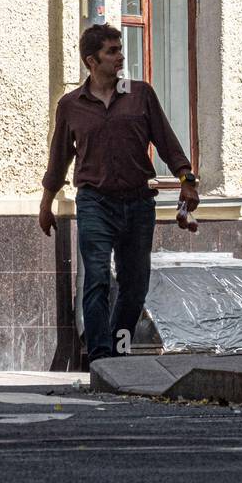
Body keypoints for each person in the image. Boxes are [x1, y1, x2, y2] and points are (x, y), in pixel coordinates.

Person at [40, 23, 198, 363]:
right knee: (96, 276)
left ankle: (118, 349)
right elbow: (59, 158)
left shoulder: (140, 94)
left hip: (139, 202)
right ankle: (99, 357)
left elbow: (166, 142)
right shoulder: (71, 105)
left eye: (119, 49)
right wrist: (46, 202)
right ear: (91, 61)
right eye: (111, 51)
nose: (120, 57)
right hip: (95, 201)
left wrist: (187, 179)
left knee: (135, 285)